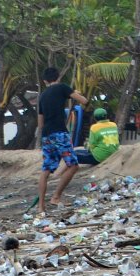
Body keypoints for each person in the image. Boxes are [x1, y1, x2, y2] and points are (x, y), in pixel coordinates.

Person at [36, 67, 88, 215]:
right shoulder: (62, 87)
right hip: (60, 133)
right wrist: (75, 94)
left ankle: (41, 207)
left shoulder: (42, 96)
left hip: (47, 135)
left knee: (45, 170)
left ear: (45, 81)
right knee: (73, 165)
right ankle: (56, 197)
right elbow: (84, 101)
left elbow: (40, 123)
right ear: (58, 77)